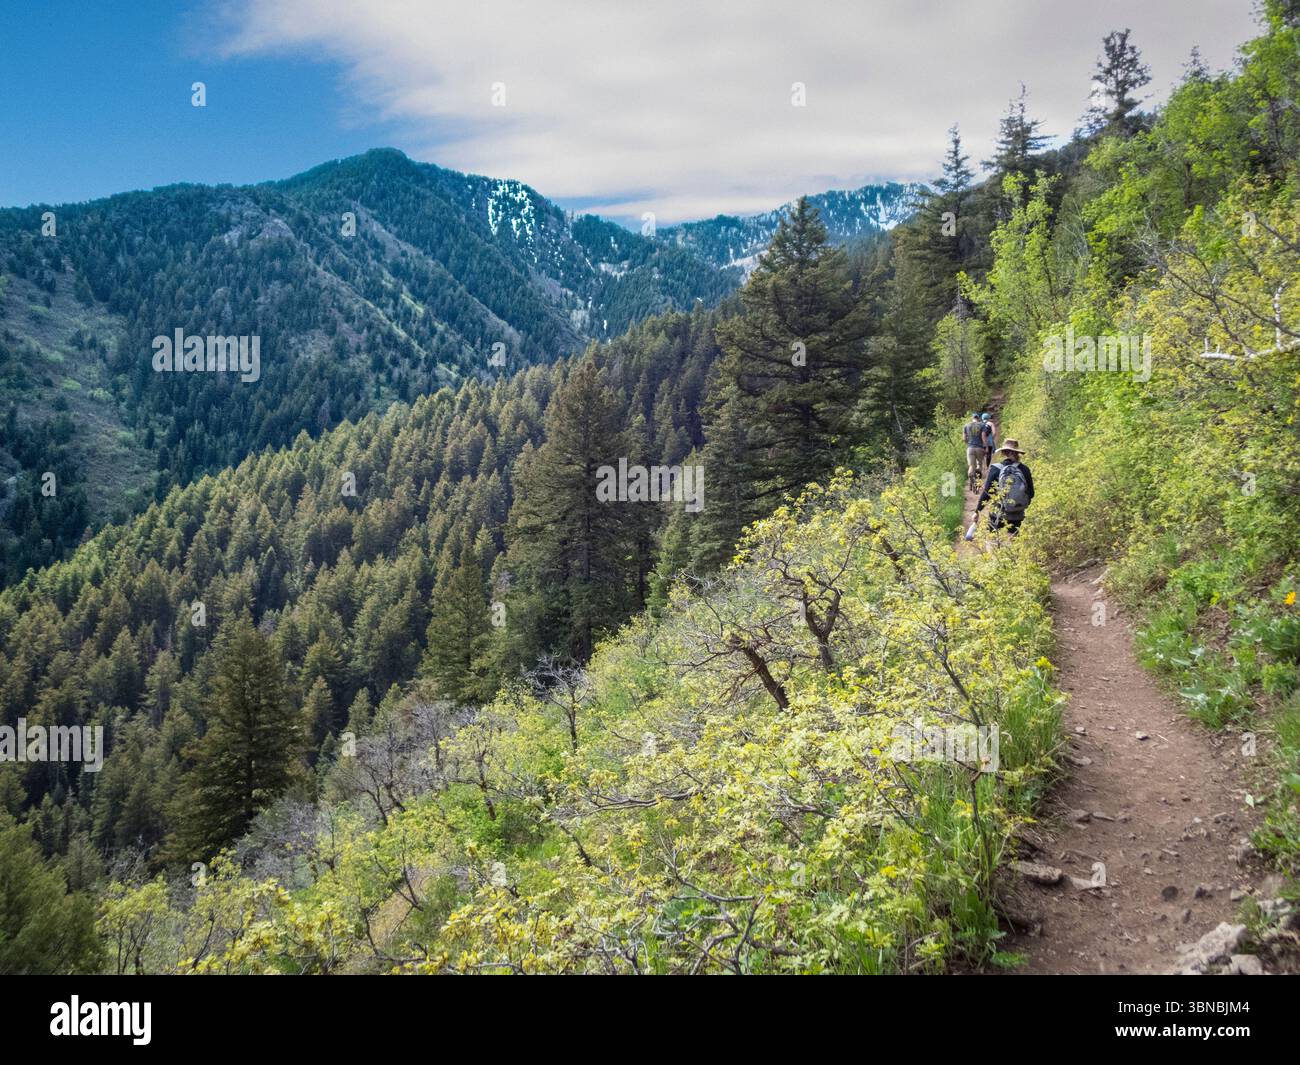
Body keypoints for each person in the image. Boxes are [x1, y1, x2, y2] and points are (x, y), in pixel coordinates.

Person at [974, 438, 1034, 536]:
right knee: (1014, 540)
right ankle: (1013, 551)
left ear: (1003, 453)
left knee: (992, 538)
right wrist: (1018, 503)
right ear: (1017, 453)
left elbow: (987, 493)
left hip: (997, 513)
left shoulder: (995, 468)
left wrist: (977, 511)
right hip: (1017, 514)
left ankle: (993, 550)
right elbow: (1031, 493)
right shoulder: (1024, 469)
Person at [962, 413, 986, 487]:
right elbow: (983, 438)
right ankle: (977, 481)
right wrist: (986, 447)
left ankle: (971, 477)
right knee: (979, 465)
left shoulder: (966, 425)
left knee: (971, 466)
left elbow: (964, 438)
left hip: (970, 448)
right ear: (978, 418)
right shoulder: (982, 425)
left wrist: (968, 443)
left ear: (972, 418)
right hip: (979, 448)